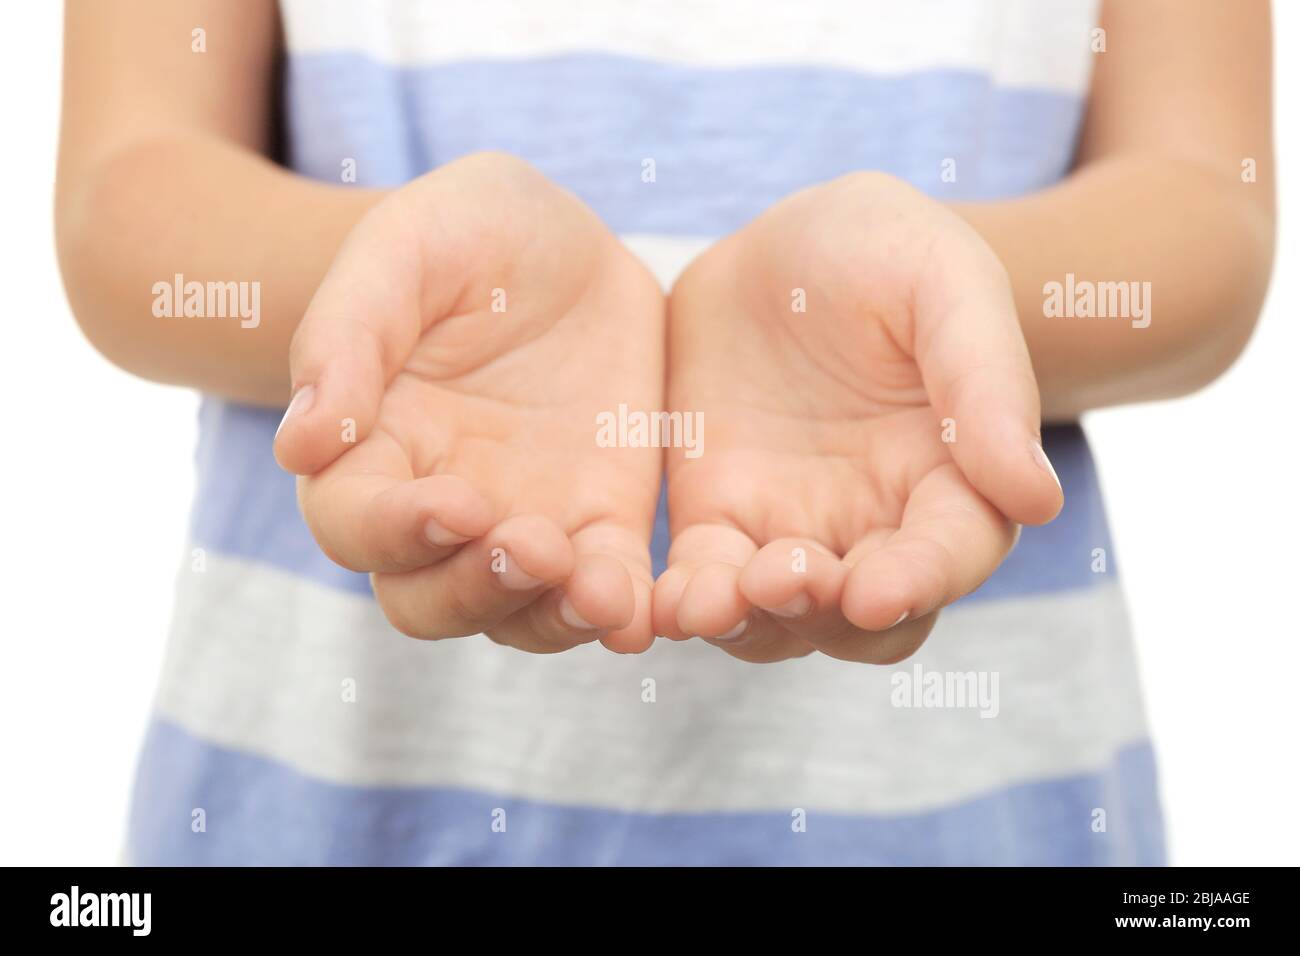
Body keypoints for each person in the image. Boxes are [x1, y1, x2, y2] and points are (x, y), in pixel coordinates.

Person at [56, 0, 1274, 864]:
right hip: (325, 794)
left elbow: (1205, 217)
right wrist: (414, 289)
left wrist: (931, 309)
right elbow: (125, 202)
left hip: (965, 809)